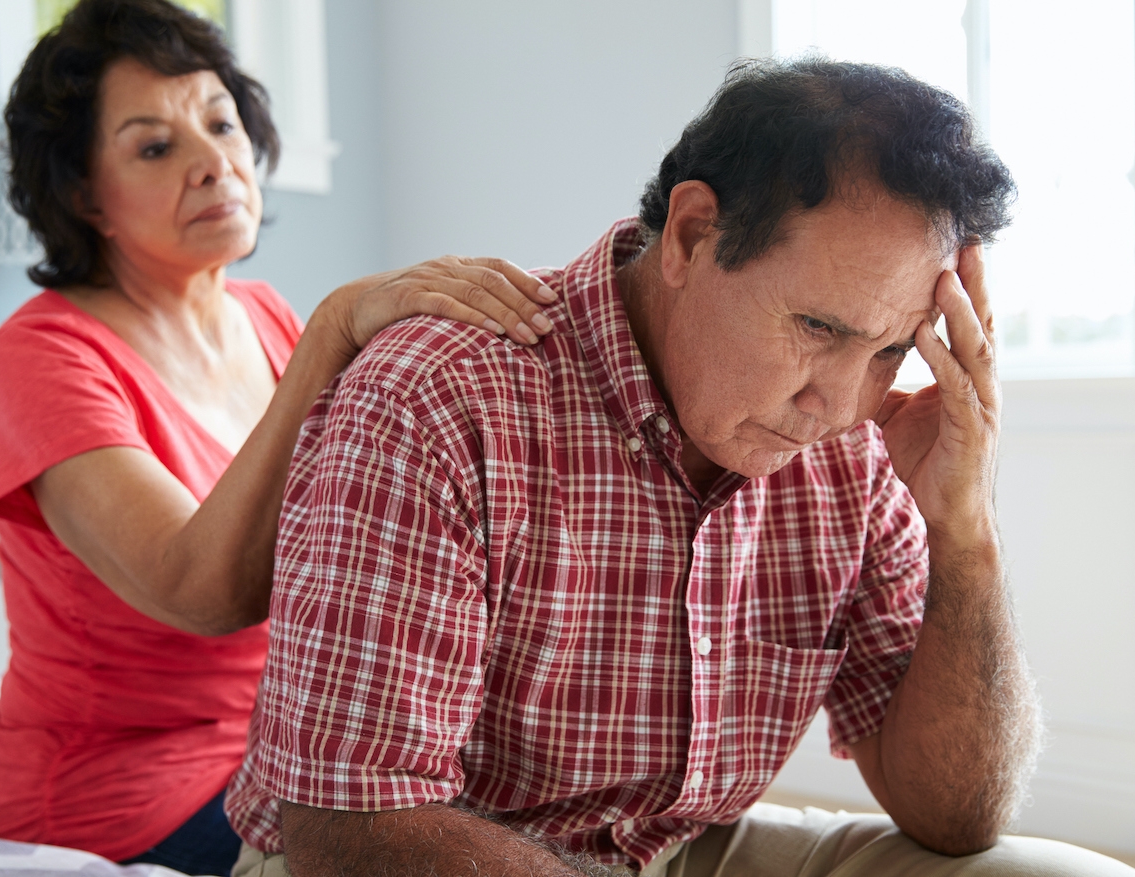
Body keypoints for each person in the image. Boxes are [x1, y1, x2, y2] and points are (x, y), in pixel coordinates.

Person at [225, 58, 1135, 876]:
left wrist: (963, 528)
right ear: (693, 235)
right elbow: (349, 825)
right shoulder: (439, 394)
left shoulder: (857, 438)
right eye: (819, 329)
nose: (842, 403)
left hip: (676, 844)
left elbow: (956, 815)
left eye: (893, 349)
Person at [0, 0, 556, 873]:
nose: (214, 162)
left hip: (287, 749)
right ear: (85, 194)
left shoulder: (263, 317)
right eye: (155, 146)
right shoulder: (41, 355)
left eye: (221, 122)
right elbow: (200, 591)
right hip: (125, 794)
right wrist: (336, 328)